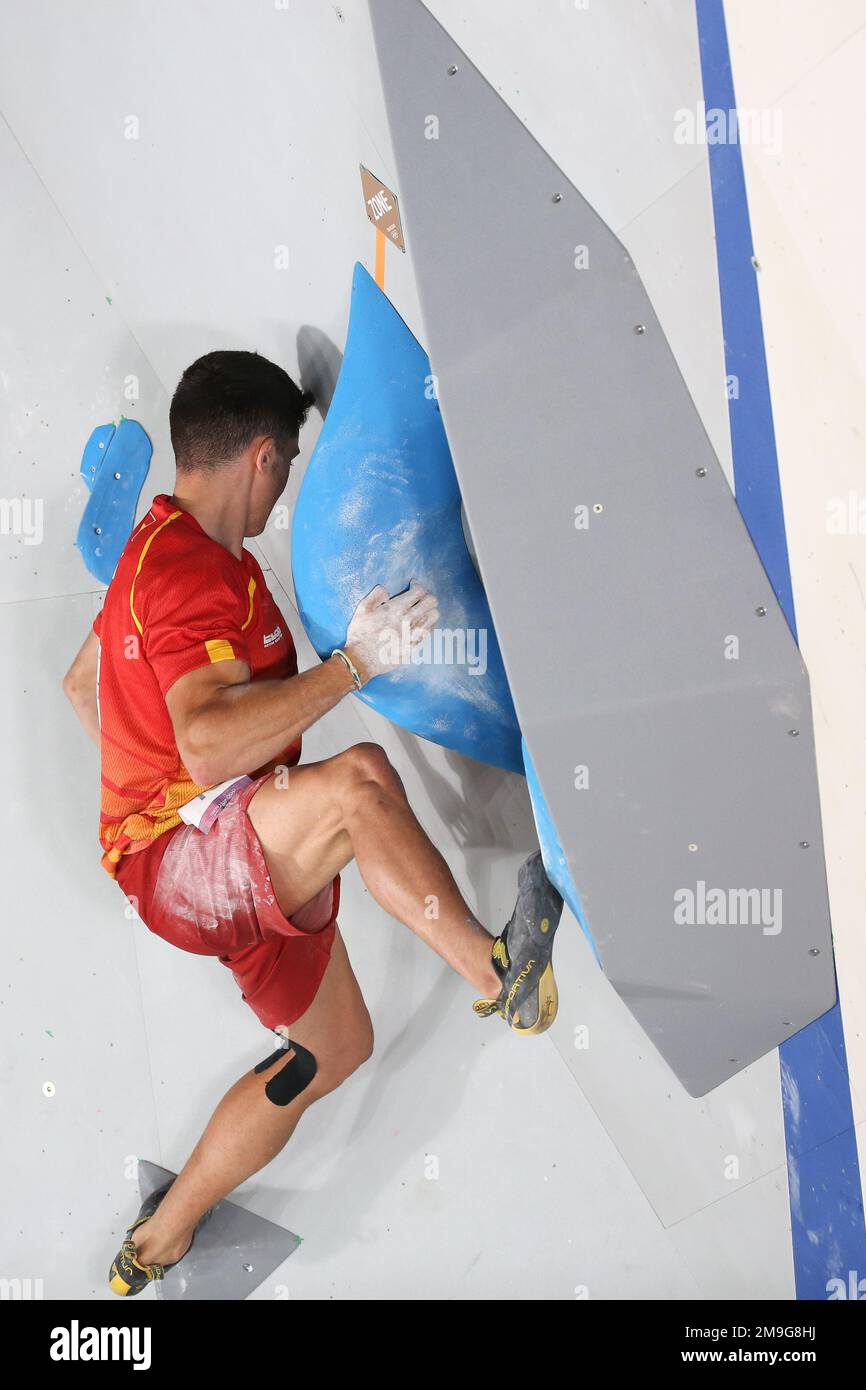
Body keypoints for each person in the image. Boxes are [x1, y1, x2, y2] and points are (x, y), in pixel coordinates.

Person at [62, 350, 563, 1297]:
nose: (284, 488)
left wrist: (149, 784)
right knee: (360, 784)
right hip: (190, 863)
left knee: (335, 1050)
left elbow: (84, 685)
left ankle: (157, 1244)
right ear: (260, 455)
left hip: (190, 857)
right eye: (287, 466)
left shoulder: (151, 549)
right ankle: (503, 978)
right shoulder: (190, 576)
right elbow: (208, 749)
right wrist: (352, 669)